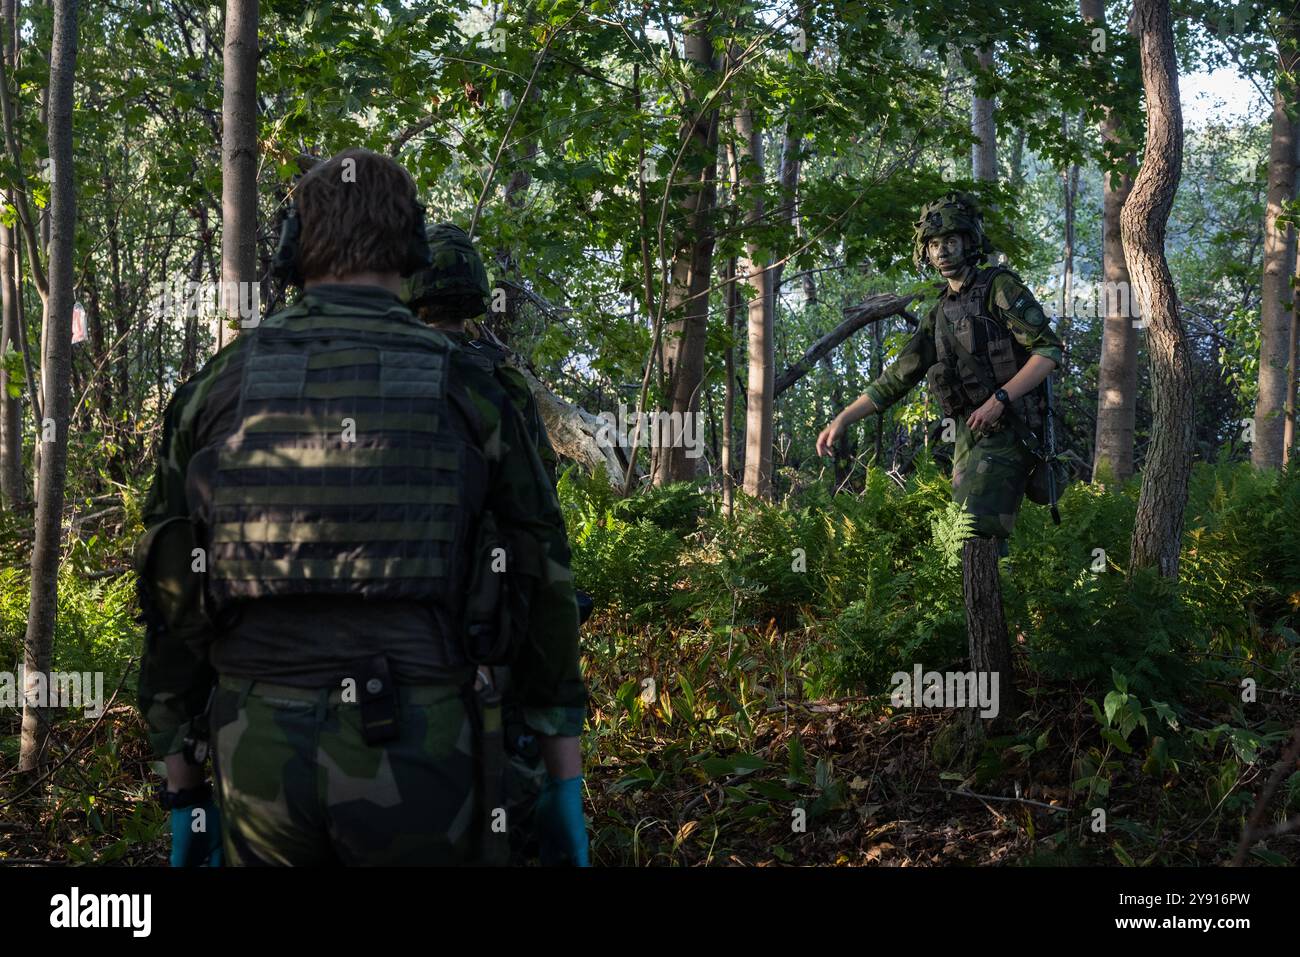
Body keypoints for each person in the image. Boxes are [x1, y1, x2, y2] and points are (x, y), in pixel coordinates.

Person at [134, 148, 588, 866]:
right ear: (410, 246)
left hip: (256, 744)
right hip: (425, 740)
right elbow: (544, 577)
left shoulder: (214, 389)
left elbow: (172, 593)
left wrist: (183, 783)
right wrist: (564, 780)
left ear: (292, 247)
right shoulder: (471, 386)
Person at [404, 222, 591, 862]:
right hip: (488, 635)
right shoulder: (499, 387)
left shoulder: (378, 378)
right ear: (477, 296)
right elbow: (539, 528)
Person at [816, 191, 1062, 550]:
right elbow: (898, 377)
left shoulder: (999, 287)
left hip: (1012, 427)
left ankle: (989, 602)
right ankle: (986, 602)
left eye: (950, 241)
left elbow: (1048, 351)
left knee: (975, 532)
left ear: (968, 242)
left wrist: (1000, 398)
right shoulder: (940, 313)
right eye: (933, 244)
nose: (942, 250)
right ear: (926, 252)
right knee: (963, 538)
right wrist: (843, 419)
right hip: (970, 434)